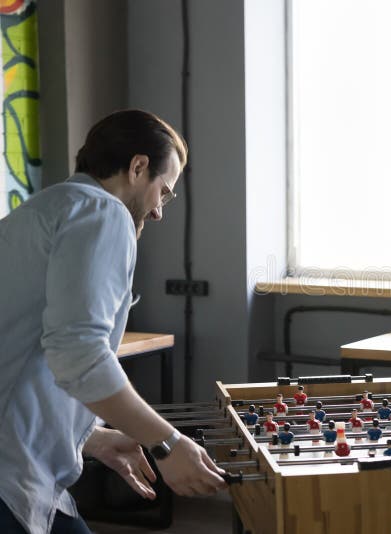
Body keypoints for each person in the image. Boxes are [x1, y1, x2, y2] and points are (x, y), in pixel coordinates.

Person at [0, 109, 227, 534]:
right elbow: (79, 354)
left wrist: (93, 439)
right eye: (164, 192)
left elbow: (26, 357)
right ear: (138, 167)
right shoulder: (103, 212)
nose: (159, 212)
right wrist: (167, 442)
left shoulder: (47, 209)